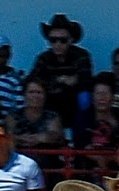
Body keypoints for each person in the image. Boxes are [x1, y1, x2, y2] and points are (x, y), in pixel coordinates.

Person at [28, 13, 93, 142]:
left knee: (85, 97)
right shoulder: (43, 58)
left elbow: (85, 81)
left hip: (75, 104)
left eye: (62, 40)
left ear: (70, 40)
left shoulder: (81, 55)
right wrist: (63, 80)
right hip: (50, 103)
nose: (58, 44)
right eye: (53, 40)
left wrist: (55, 81)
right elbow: (34, 81)